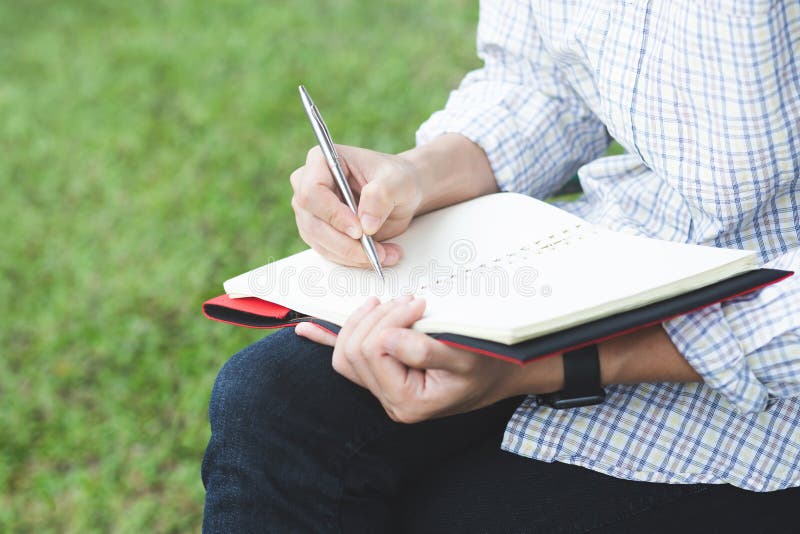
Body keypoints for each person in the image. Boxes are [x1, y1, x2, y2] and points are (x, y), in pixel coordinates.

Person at [202, 1, 800, 532]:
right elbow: (541, 81)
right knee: (269, 401)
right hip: (627, 253)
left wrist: (550, 365)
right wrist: (414, 175)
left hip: (773, 369)